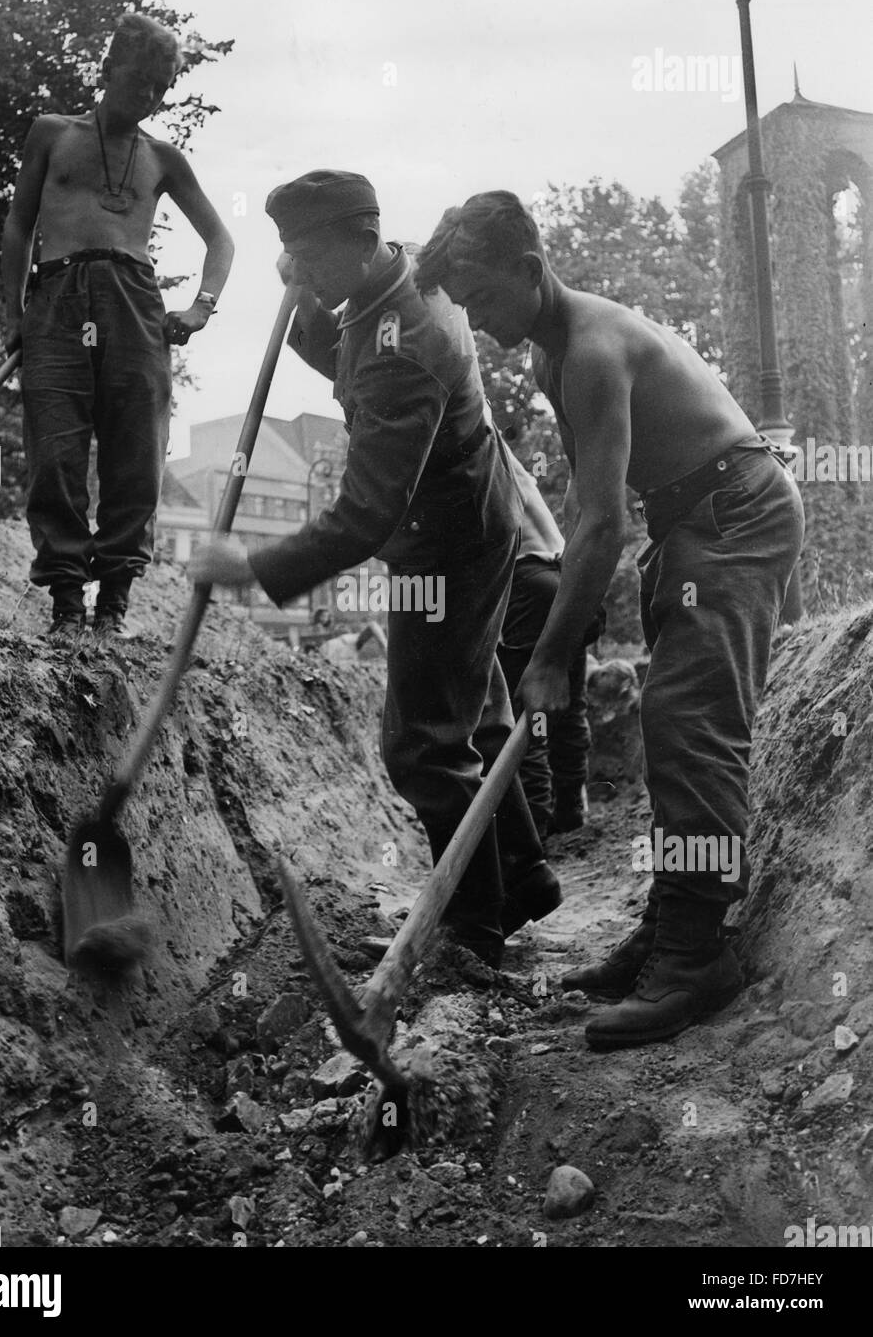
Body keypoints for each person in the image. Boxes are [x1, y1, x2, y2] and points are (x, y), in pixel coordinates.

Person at [415, 190, 804, 1045]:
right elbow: (597, 503)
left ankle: (696, 959)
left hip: (734, 513)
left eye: (479, 295)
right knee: (677, 725)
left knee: (689, 729)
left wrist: (552, 657)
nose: (474, 320)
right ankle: (671, 929)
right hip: (691, 519)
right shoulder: (551, 354)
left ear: (527, 268)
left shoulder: (589, 347)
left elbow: (600, 522)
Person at [190, 170, 560, 969]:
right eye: (292, 259)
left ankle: (471, 931)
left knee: (423, 745)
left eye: (312, 261)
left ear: (361, 243)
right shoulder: (393, 278)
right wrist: (305, 308)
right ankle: (521, 879)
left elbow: (365, 513)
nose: (304, 276)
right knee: (478, 711)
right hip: (470, 509)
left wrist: (250, 564)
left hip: (446, 535)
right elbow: (352, 360)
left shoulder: (407, 338)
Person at [2, 13, 234, 640]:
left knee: (136, 455)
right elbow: (20, 226)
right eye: (140, 82)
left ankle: (113, 607)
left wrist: (201, 306)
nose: (150, 98)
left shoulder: (164, 157)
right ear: (107, 71)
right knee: (55, 451)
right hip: (56, 297)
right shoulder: (51, 134)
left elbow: (219, 238)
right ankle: (68, 605)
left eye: (161, 87)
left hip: (134, 302)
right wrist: (14, 315)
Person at [497, 453, 594, 850]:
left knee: (526, 716)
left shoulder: (458, 445)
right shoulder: (505, 455)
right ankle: (570, 813)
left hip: (528, 582)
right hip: (567, 575)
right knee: (569, 705)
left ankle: (531, 838)